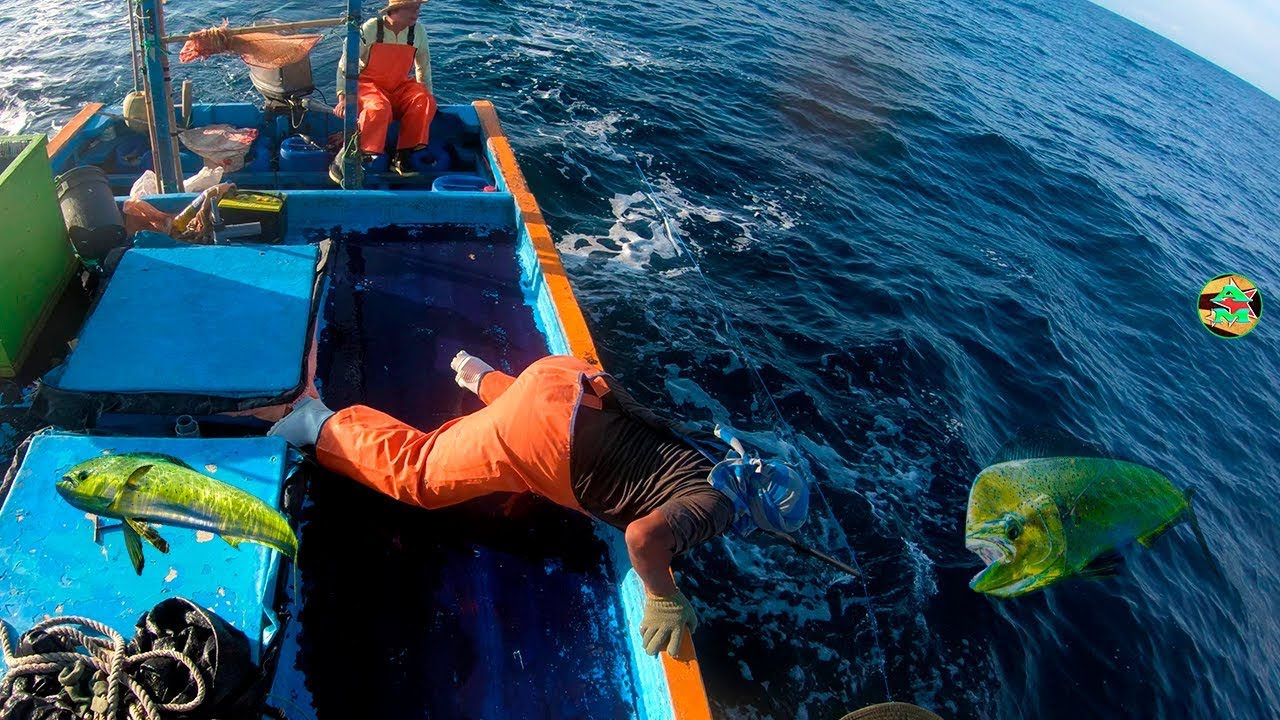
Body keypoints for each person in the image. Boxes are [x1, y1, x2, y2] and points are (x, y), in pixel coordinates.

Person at [269, 352, 809, 657]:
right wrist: (663, 596)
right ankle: (315, 422)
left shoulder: (723, 456)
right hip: (540, 438)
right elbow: (643, 537)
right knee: (419, 474)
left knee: (528, 408)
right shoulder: (718, 508)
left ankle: (479, 376)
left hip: (565, 378)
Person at [331, 0, 437, 182]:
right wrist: (343, 97)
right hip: (368, 85)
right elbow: (345, 63)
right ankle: (351, 155)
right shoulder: (371, 28)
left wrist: (430, 103)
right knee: (378, 108)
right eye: (411, 8)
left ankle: (402, 156)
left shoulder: (418, 31)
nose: (416, 12)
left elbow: (423, 69)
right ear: (394, 10)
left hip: (399, 85)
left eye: (418, 8)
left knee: (424, 101)